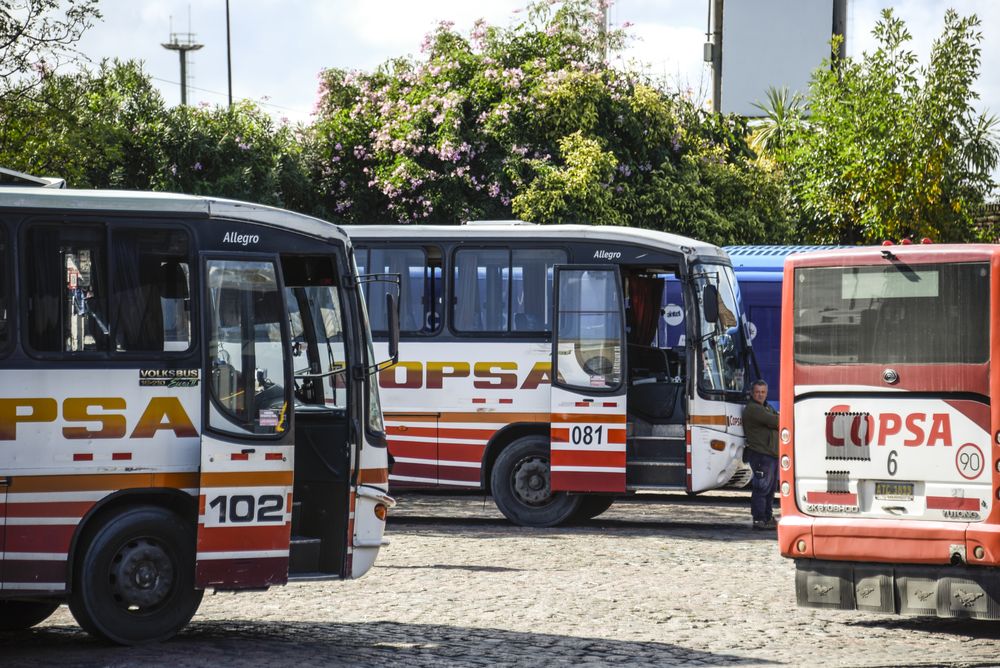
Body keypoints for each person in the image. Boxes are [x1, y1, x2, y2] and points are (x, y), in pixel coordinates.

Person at [743, 379, 779, 530]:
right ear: (752, 393)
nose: (760, 395)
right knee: (762, 488)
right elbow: (777, 420)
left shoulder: (766, 407)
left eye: (763, 392)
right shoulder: (754, 409)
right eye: (757, 392)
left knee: (770, 490)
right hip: (761, 454)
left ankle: (767, 517)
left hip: (770, 454)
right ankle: (759, 519)